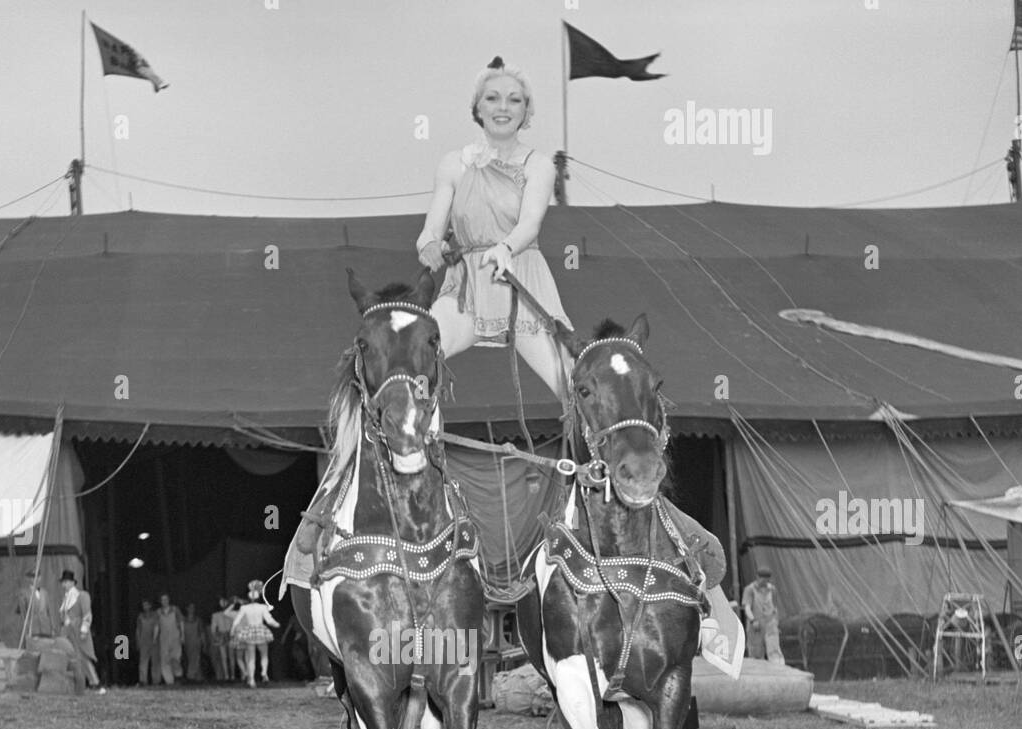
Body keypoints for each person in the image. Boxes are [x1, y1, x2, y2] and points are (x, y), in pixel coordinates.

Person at [288, 56, 731, 643]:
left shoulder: (538, 163)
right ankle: (330, 512)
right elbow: (433, 227)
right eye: (493, 98)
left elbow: (529, 223)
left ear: (526, 111)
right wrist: (428, 245)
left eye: (514, 100)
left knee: (591, 397)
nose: (503, 107)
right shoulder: (453, 162)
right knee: (402, 366)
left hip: (521, 284)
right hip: (467, 287)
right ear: (478, 108)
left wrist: (507, 248)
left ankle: (666, 531)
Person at [59, 569, 107, 693]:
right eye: (63, 582)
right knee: (72, 657)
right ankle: (79, 685)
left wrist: (84, 630)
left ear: (71, 583)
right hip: (67, 631)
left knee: (84, 657)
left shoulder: (82, 596)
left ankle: (95, 682)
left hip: (78, 629)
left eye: (65, 582)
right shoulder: (65, 598)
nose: (63, 585)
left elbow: (87, 614)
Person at [230, 581, 279, 687]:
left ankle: (252, 680)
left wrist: (232, 630)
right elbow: (269, 620)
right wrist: (277, 624)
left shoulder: (244, 608)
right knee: (264, 655)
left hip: (250, 632)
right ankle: (264, 672)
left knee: (251, 657)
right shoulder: (262, 607)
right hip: (261, 631)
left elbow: (236, 620)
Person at [742, 565, 784, 664]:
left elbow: (775, 607)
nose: (764, 581)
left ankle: (778, 672)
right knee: (756, 650)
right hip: (756, 624)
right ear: (757, 577)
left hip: (770, 623)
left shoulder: (772, 589)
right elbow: (747, 607)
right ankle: (757, 674)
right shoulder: (750, 589)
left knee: (774, 649)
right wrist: (753, 620)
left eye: (766, 579)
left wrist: (776, 622)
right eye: (762, 578)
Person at [16, 567, 56, 642]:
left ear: (40, 578)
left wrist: (52, 628)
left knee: (46, 650)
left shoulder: (45, 593)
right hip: (33, 629)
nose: (36, 579)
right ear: (29, 579)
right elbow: (22, 613)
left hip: (46, 628)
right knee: (34, 650)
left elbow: (50, 612)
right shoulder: (24, 593)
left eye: (38, 576)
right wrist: (26, 629)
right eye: (33, 577)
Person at [155, 593, 184, 686]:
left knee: (175, 658)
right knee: (164, 660)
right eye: (162, 599)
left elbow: (181, 622)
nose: (164, 601)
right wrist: (154, 638)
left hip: (175, 637)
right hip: (163, 638)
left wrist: (183, 635)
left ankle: (178, 677)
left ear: (169, 600)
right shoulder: (158, 612)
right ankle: (169, 681)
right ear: (160, 601)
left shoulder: (175, 609)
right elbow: (156, 626)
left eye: (166, 599)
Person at [208, 598, 237, 682]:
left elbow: (213, 629)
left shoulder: (217, 615)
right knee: (228, 657)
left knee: (227, 656)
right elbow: (213, 629)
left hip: (226, 634)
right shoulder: (219, 614)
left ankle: (229, 676)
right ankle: (230, 676)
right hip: (225, 634)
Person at [135, 599, 159, 686]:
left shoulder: (155, 615)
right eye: (144, 605)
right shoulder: (140, 616)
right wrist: (138, 641)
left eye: (147, 605)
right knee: (143, 661)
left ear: (150, 605)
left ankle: (156, 680)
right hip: (143, 641)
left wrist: (155, 639)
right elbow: (138, 629)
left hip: (153, 641)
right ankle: (143, 680)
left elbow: (157, 626)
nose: (145, 607)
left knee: (155, 662)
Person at [182, 602, 205, 682]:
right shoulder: (183, 620)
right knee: (190, 658)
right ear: (187, 608)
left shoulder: (198, 620)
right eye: (190, 607)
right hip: (187, 642)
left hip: (196, 641)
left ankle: (190, 676)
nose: (192, 609)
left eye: (193, 608)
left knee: (196, 658)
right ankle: (198, 676)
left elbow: (201, 632)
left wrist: (204, 642)